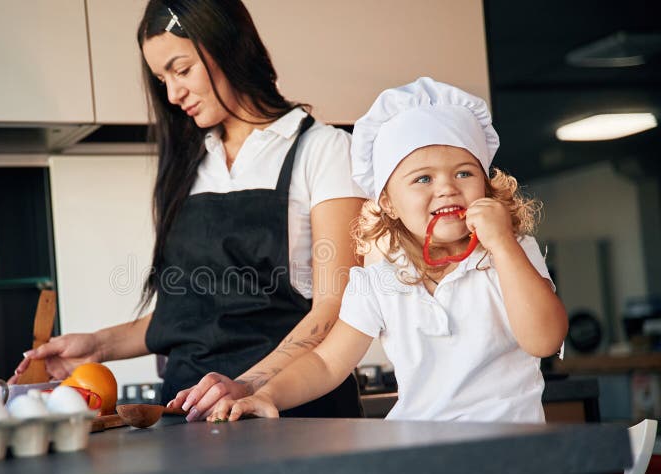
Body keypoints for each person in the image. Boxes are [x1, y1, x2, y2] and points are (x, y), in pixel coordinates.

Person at [11, 0, 366, 421]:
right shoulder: (192, 163)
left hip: (296, 413)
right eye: (162, 79)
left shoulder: (323, 150)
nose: (173, 94)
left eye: (181, 70)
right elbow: (190, 313)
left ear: (231, 47)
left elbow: (335, 305)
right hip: (188, 416)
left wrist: (250, 385)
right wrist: (98, 346)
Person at [207, 78, 569, 424]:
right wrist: (270, 395)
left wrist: (502, 244)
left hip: (511, 454)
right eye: (423, 179)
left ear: (486, 187)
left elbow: (545, 340)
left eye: (464, 174)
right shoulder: (379, 281)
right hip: (422, 454)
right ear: (389, 203)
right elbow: (327, 363)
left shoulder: (511, 253)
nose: (446, 188)